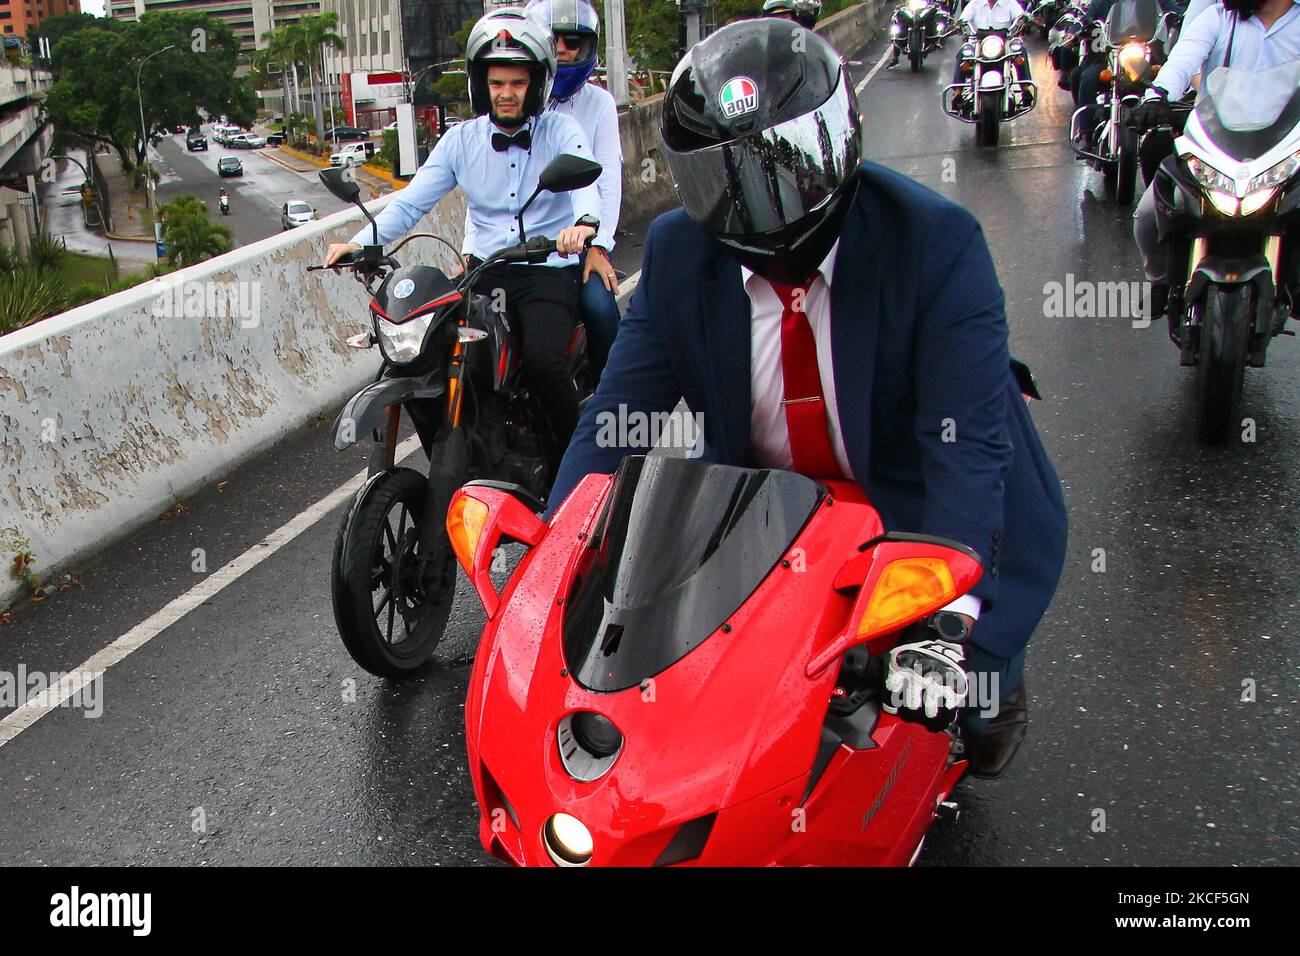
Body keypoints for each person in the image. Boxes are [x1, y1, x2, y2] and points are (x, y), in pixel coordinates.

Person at [548, 20, 1068, 778]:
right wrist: (556, 553)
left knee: (968, 719)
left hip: (922, 503)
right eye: (722, 180)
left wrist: (946, 619)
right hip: (771, 517)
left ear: (840, 138)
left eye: (781, 169)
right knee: (730, 730)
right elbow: (617, 418)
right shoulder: (677, 253)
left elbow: (965, 448)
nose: (756, 201)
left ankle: (1000, 685)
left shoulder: (936, 244)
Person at [324, 8, 601, 476]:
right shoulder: (460, 141)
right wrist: (360, 243)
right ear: (481, 86)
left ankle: (578, 469)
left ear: (535, 84)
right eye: (497, 83)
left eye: (516, 83)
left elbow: (585, 183)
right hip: (483, 273)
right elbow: (412, 202)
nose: (506, 93)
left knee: (541, 361)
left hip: (545, 272)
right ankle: (472, 459)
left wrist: (585, 225)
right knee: (441, 359)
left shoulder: (561, 131)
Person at [1129, 0, 1300, 318]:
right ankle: (1161, 283)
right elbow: (1182, 61)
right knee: (1148, 215)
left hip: (1284, 147)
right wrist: (1157, 96)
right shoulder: (1217, 18)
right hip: (1214, 143)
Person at [487, 0, 620, 385]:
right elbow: (493, 181)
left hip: (573, 245)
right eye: (553, 40)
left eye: (573, 42)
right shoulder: (516, 99)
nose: (561, 49)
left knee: (599, 305)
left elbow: (607, 179)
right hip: (514, 248)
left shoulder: (599, 105)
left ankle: (612, 402)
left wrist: (598, 245)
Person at [951, 0, 1042, 106]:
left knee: (1020, 49)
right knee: (963, 51)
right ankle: (958, 93)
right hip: (978, 46)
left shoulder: (1009, 3)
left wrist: (1027, 19)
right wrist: (962, 26)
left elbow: (1020, 15)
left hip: (1003, 46)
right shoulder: (975, 3)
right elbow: (963, 19)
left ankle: (1025, 89)